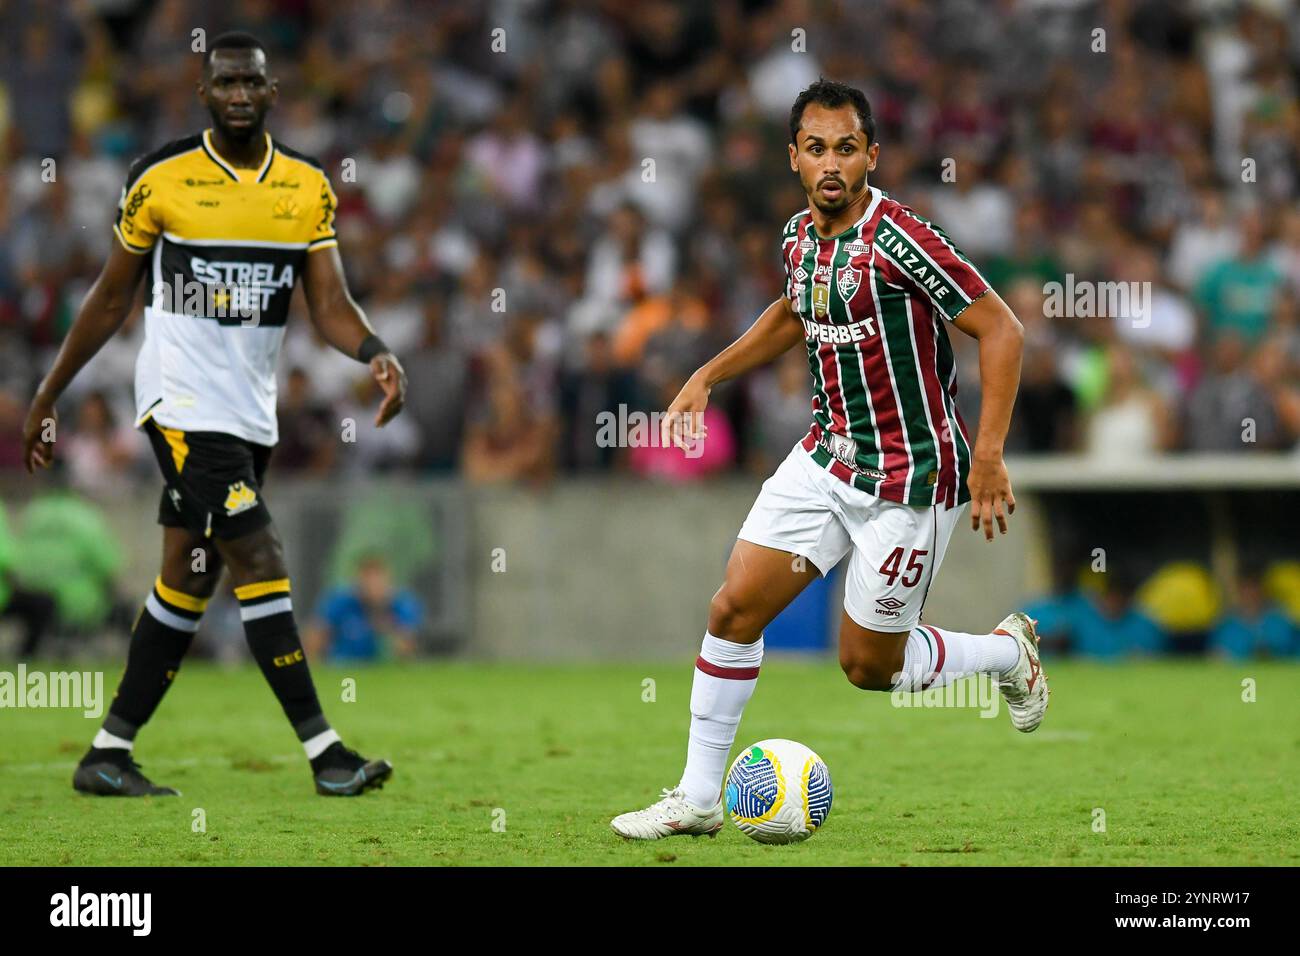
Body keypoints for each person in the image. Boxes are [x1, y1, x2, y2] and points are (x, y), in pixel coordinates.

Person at [611, 80, 1047, 840]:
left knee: (867, 669)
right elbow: (793, 310)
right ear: (794, 158)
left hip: (910, 477)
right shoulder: (797, 239)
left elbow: (1002, 329)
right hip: (825, 457)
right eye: (816, 149)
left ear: (872, 156)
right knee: (733, 609)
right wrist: (706, 375)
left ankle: (1007, 652)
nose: (831, 163)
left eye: (846, 148)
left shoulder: (901, 239)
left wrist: (989, 455)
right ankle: (699, 797)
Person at [21, 32, 407, 798]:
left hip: (248, 411)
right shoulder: (161, 178)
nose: (238, 93)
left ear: (271, 93)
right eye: (224, 81)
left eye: (251, 82)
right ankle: (326, 753)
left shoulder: (303, 187)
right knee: (258, 556)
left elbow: (327, 303)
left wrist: (374, 352)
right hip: (179, 402)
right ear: (203, 92)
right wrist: (48, 392)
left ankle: (107, 753)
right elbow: (109, 295)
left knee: (189, 576)